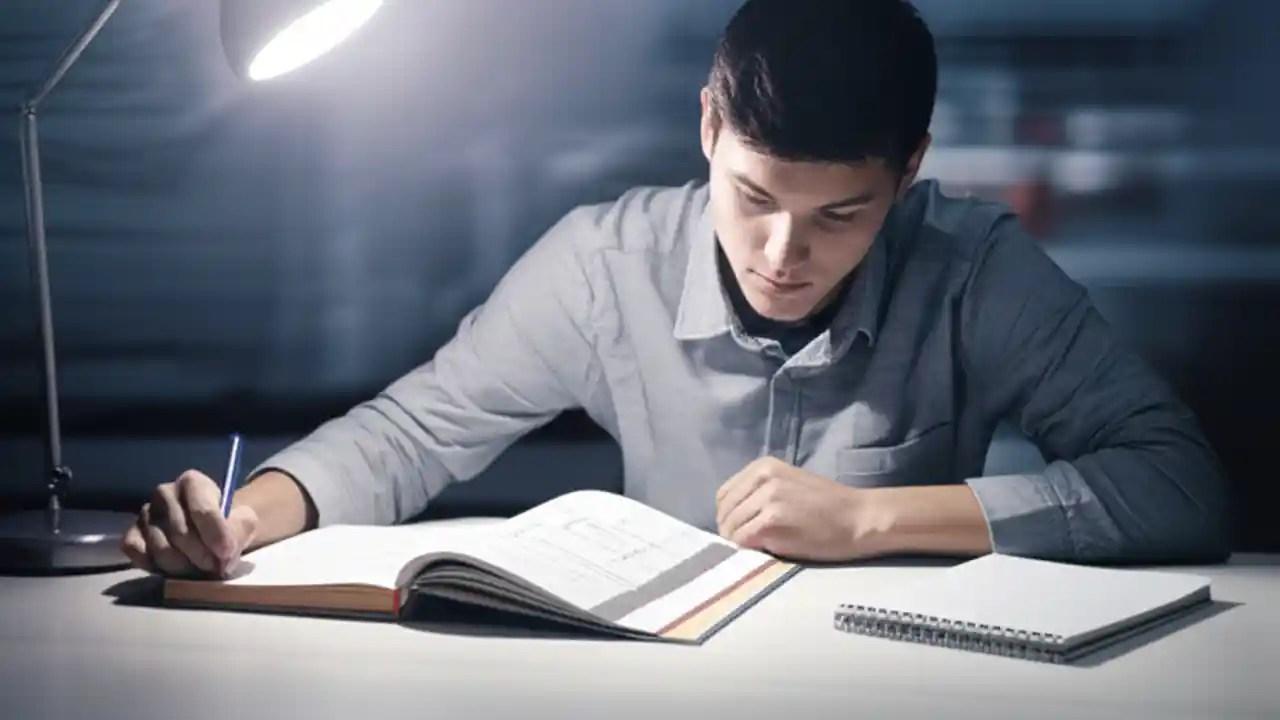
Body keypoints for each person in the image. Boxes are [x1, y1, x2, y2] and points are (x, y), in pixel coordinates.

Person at [121, 0, 1230, 578]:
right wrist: (238, 521)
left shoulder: (972, 269)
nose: (783, 251)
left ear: (910, 169)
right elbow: (410, 437)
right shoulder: (605, 265)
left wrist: (873, 518)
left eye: (840, 214)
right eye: (752, 195)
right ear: (707, 127)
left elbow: (1178, 484)